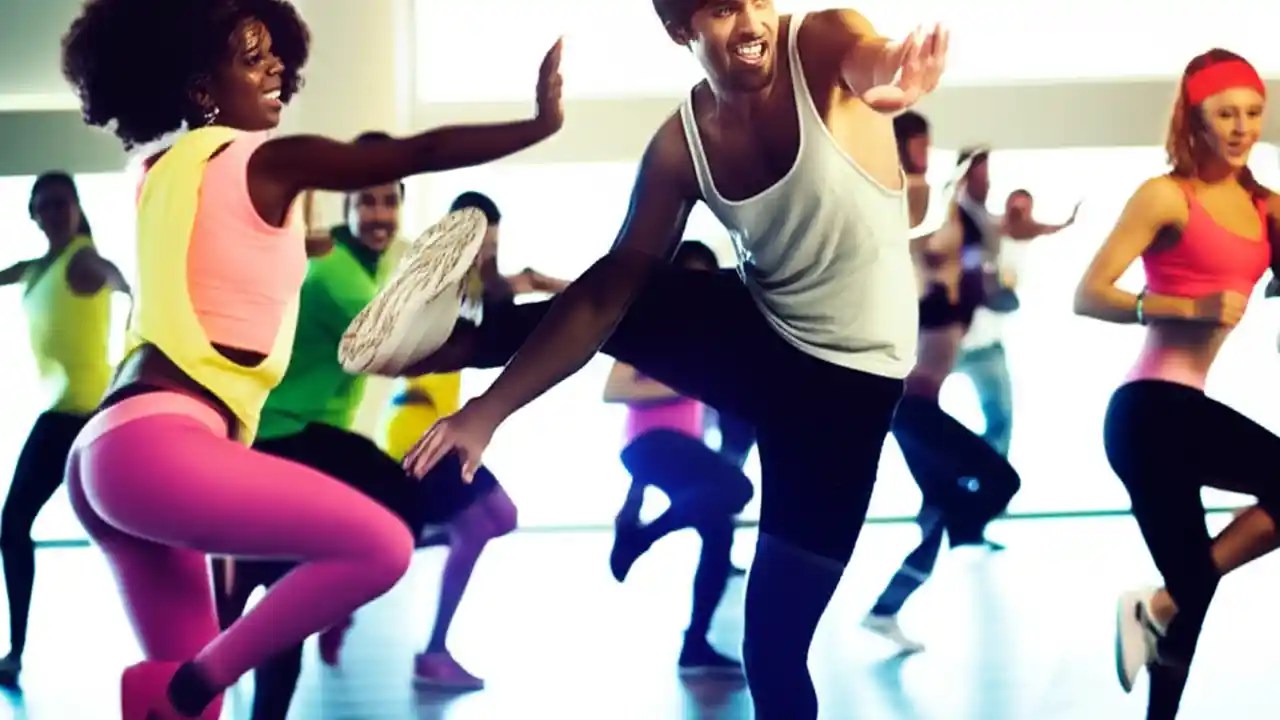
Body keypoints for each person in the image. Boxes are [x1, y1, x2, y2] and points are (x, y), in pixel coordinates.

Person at [358, 5, 948, 717]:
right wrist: (485, 414)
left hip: (848, 394)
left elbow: (872, 57)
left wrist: (898, 70)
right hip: (763, 334)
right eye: (724, 9)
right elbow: (607, 293)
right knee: (629, 286)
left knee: (772, 648)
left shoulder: (820, 42)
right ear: (680, 30)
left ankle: (455, 339)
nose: (752, 19)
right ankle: (448, 341)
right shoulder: (681, 146)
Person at [59, 0, 563, 716]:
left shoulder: (156, 171)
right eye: (252, 56)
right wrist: (536, 126)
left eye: (275, 55)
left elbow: (224, 265)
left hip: (106, 454)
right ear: (203, 90)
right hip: (161, 448)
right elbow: (411, 152)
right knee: (382, 546)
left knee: (176, 682)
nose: (277, 70)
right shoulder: (263, 156)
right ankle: (194, 686)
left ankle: (183, 688)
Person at [1074, 49, 1277, 720]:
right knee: (1192, 584)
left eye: (1252, 112)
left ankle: (1154, 612)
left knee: (1193, 589)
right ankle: (1156, 603)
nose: (1242, 127)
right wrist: (1185, 307)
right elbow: (1089, 294)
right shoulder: (1167, 195)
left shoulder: (1268, 209)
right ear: (1194, 120)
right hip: (1146, 411)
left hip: (1183, 409)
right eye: (1225, 114)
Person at [861, 145, 1020, 653]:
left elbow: (978, 242)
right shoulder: (926, 290)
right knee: (1002, 479)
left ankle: (886, 610)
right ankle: (962, 532)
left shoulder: (960, 289)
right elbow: (930, 233)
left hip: (916, 413)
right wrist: (948, 185)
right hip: (911, 412)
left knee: (940, 510)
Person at [0, 173, 129, 687]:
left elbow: (113, 275)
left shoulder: (81, 257)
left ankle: (15, 652)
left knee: (12, 524)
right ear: (33, 214)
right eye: (44, 205)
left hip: (77, 415)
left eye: (62, 203)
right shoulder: (39, 267)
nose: (54, 212)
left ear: (76, 209)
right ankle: (16, 650)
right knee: (130, 526)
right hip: (72, 415)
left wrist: (135, 296)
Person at [603, 240, 752, 677]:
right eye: (686, 278)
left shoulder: (707, 336)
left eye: (703, 280)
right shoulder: (647, 326)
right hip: (649, 445)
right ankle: (641, 539)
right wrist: (686, 383)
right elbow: (614, 390)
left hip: (679, 451)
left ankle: (695, 646)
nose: (694, 288)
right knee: (739, 488)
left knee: (720, 533)